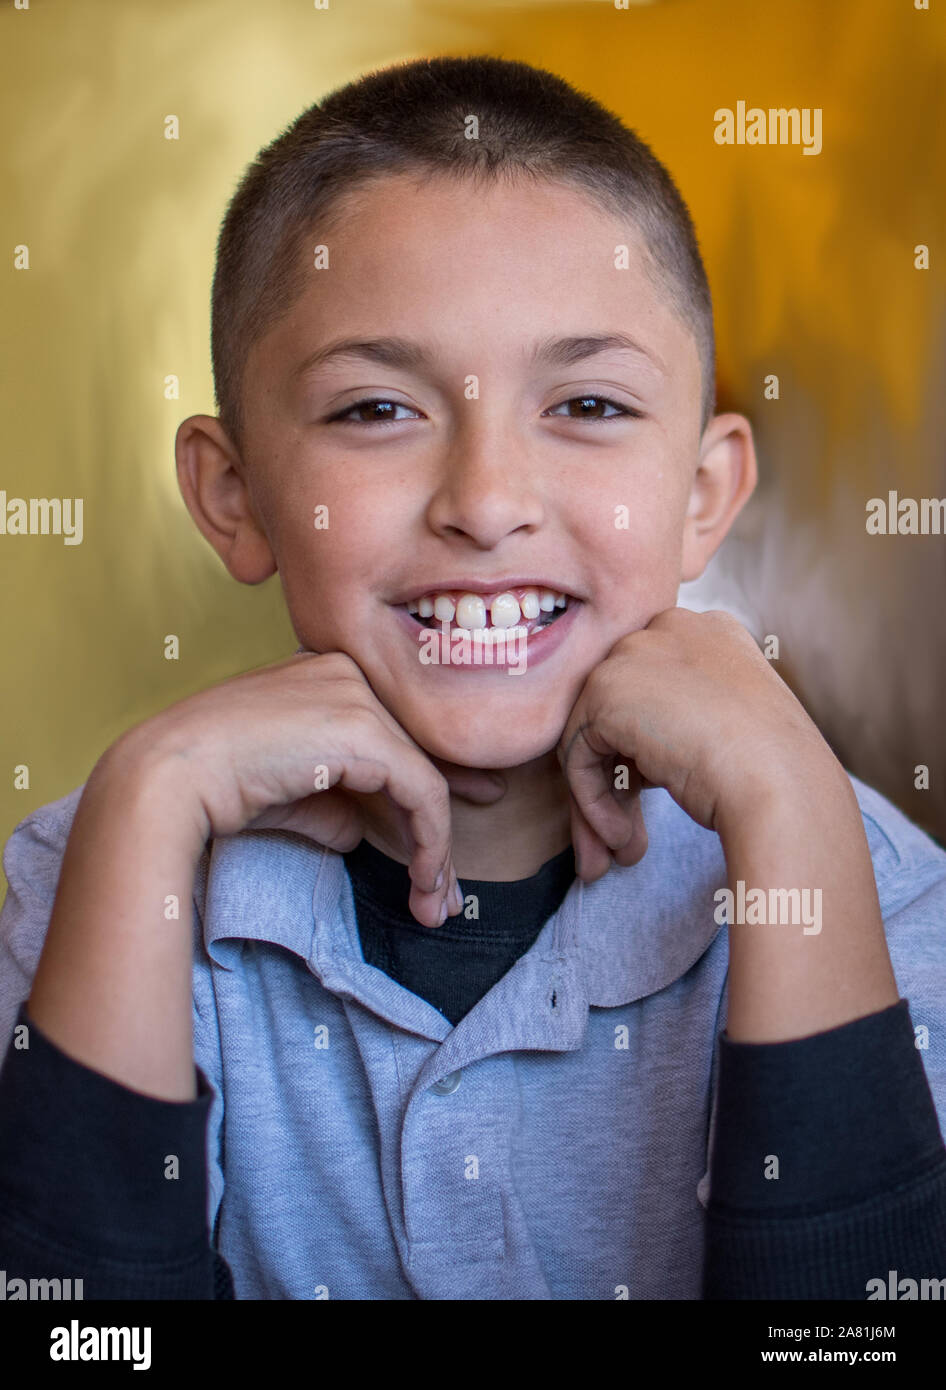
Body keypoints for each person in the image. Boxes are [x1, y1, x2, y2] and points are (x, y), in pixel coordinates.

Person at [1, 54, 945, 1301]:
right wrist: (149, 790)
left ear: (704, 493)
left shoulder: (870, 890)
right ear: (234, 499)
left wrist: (791, 805)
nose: (487, 502)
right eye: (377, 412)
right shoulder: (91, 882)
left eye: (590, 402)